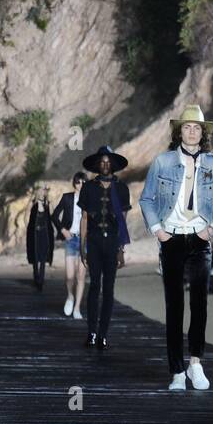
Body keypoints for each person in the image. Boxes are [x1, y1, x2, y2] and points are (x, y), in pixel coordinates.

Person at [139, 104, 213, 391]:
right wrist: (158, 230)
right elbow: (146, 199)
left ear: (203, 133)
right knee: (174, 306)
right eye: (187, 127)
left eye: (197, 128)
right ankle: (177, 372)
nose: (192, 131)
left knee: (199, 304)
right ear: (179, 131)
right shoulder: (163, 162)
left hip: (199, 238)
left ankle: (195, 363)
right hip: (171, 238)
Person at [77, 145, 132, 351]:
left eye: (109, 162)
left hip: (112, 243)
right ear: (97, 165)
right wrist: (82, 247)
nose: (106, 165)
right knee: (94, 287)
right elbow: (83, 218)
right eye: (102, 162)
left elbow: (123, 221)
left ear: (114, 165)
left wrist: (121, 249)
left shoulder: (122, 188)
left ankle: (103, 335)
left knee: (109, 290)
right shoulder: (89, 187)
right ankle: (91, 332)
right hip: (93, 240)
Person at [53, 172, 88, 319]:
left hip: (85, 241)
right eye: (78, 182)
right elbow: (54, 215)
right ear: (74, 184)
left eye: (83, 183)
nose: (81, 185)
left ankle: (77, 308)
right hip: (71, 239)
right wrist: (62, 230)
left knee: (81, 276)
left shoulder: (90, 200)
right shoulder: (67, 198)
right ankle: (70, 296)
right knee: (69, 276)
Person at [26, 184, 55, 291]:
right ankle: (36, 276)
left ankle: (41, 279)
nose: (43, 192)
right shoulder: (33, 203)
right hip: (34, 233)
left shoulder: (47, 203)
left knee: (43, 256)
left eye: (45, 190)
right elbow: (26, 215)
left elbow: (52, 215)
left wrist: (50, 202)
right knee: (35, 255)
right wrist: (28, 228)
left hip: (44, 233)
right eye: (42, 190)